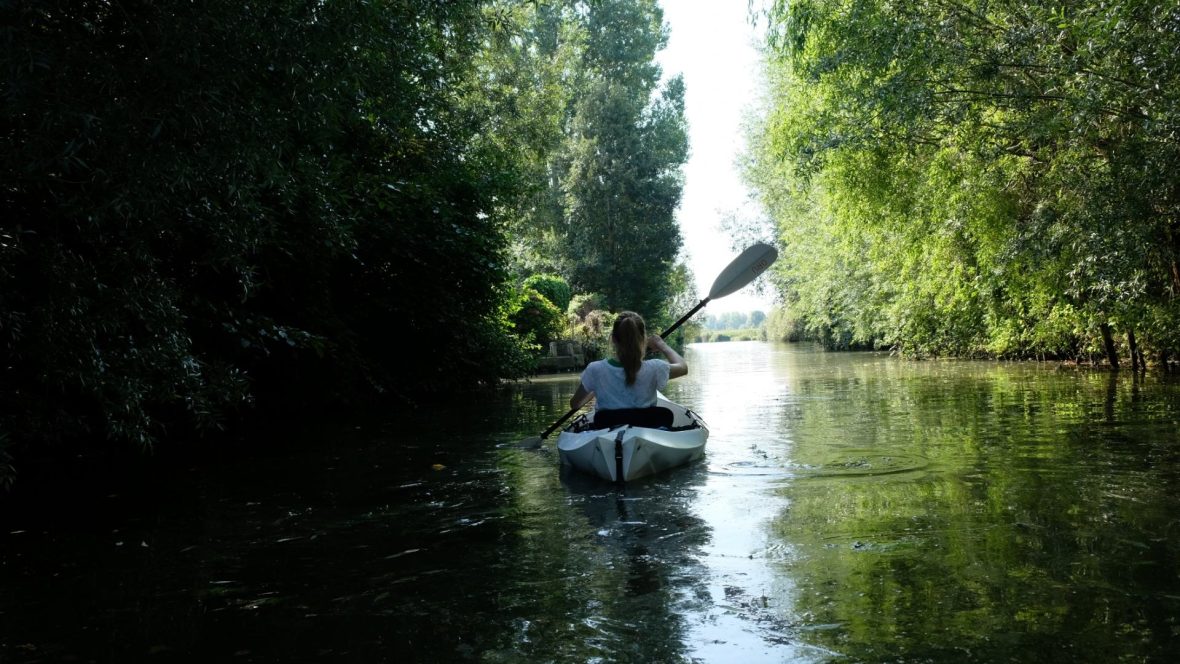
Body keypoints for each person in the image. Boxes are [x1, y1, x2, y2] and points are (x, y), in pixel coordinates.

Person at [569, 311, 688, 424]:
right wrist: (662, 345)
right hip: (647, 427)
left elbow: (575, 404)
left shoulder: (595, 370)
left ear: (613, 339)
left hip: (606, 431)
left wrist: (595, 390)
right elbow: (683, 367)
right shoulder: (655, 367)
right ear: (643, 340)